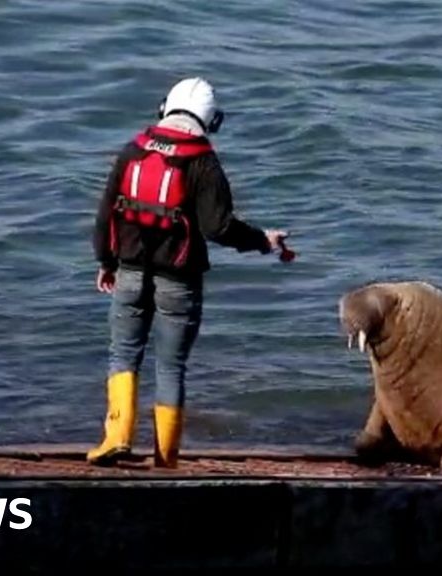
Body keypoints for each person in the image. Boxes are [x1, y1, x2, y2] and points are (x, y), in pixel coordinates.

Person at [89, 77, 293, 468]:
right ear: (211, 120)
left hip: (129, 273)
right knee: (170, 365)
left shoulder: (132, 150)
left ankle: (116, 438)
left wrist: (106, 261)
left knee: (123, 354)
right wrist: (263, 240)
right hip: (179, 282)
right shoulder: (203, 161)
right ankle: (166, 459)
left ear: (164, 107)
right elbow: (218, 227)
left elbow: (105, 215)